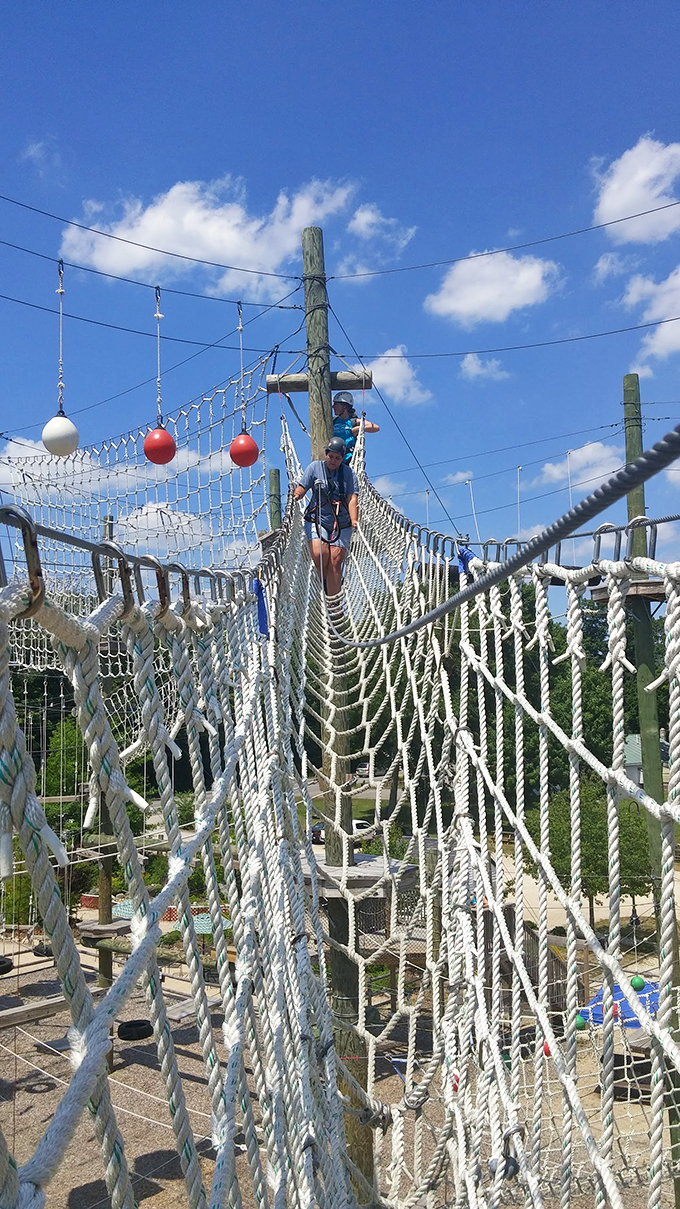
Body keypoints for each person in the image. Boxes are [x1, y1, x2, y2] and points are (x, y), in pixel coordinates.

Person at [293, 436, 359, 596]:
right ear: (326, 454)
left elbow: (352, 498)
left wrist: (354, 519)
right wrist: (297, 495)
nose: (333, 461)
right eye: (331, 456)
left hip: (341, 522)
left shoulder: (349, 473)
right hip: (317, 519)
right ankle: (325, 583)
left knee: (335, 560)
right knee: (320, 554)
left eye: (338, 458)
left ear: (342, 459)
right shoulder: (315, 468)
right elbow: (302, 487)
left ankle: (333, 601)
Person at [332, 391, 380, 463]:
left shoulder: (353, 421)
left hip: (347, 460)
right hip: (333, 458)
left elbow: (375, 427)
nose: (333, 407)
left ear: (344, 406)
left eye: (336, 404)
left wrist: (357, 429)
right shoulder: (333, 421)